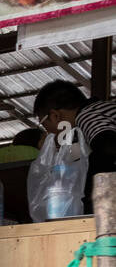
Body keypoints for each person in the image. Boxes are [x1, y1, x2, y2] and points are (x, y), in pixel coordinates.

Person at [33, 80, 116, 210]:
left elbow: (108, 148)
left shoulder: (87, 116)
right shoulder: (94, 114)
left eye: (45, 126)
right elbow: (80, 160)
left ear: (55, 116)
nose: (49, 133)